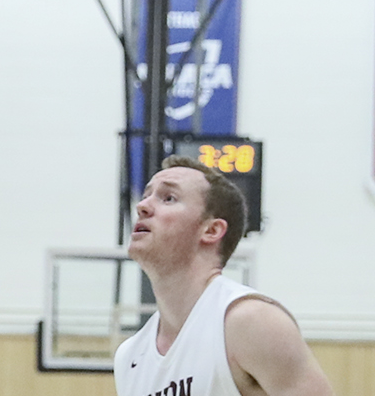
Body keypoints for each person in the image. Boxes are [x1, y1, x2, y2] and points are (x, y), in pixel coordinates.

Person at [113, 156, 333, 396]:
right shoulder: (130, 356)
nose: (142, 206)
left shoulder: (249, 322)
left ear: (211, 230)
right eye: (146, 195)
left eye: (168, 198)